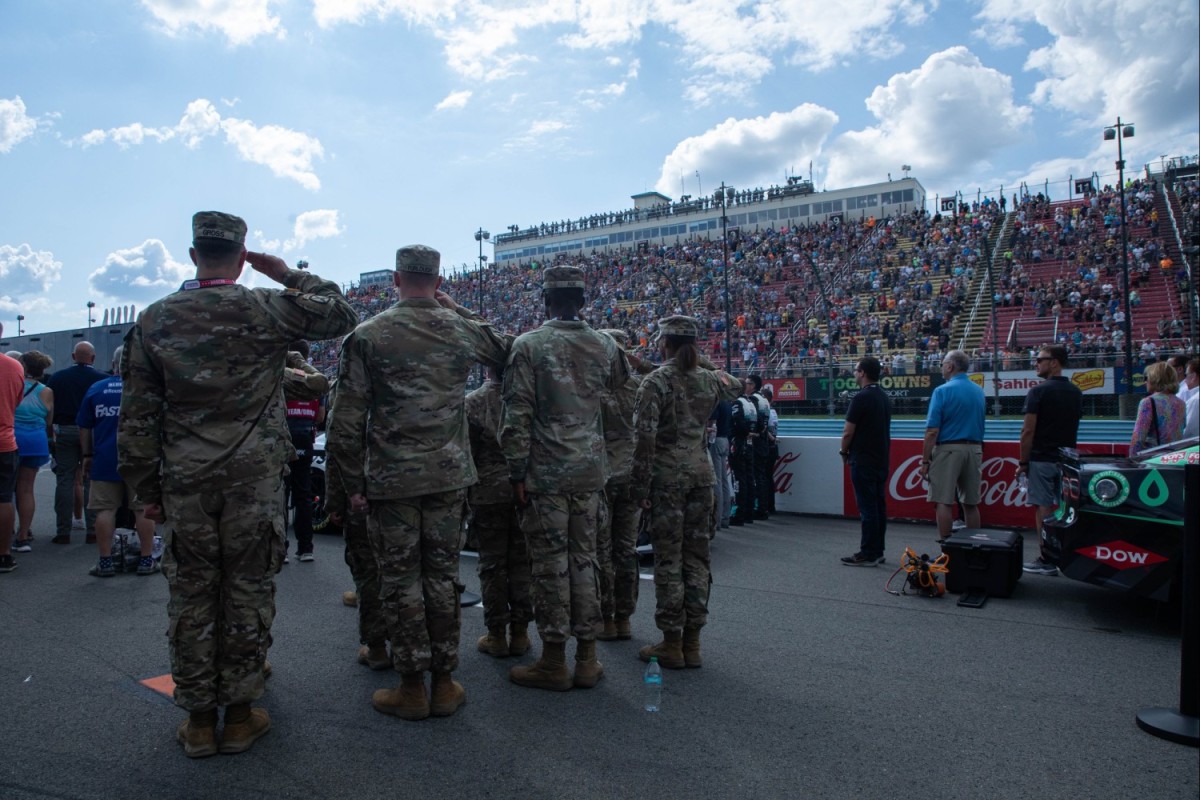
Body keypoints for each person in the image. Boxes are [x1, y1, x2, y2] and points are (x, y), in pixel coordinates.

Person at [119, 211, 357, 758]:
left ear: (192, 254)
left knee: (193, 592)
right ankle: (243, 713)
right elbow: (339, 312)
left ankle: (201, 720)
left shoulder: (155, 319)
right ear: (243, 252)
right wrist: (287, 274)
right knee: (248, 590)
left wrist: (144, 488)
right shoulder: (265, 307)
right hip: (253, 479)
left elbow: (137, 418)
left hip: (185, 478)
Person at [328, 244, 510, 721]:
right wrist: (458, 310)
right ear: (440, 280)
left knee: (401, 579)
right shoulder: (458, 330)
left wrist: (351, 485)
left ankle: (411, 686)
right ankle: (444, 682)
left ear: (395, 278)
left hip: (390, 480)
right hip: (449, 477)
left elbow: (344, 422)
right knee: (442, 577)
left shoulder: (368, 335)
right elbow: (504, 350)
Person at [500, 265, 627, 692]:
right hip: (589, 471)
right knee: (585, 560)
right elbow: (619, 391)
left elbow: (516, 416)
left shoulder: (529, 345)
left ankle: (554, 660)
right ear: (583, 301)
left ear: (546, 301)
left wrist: (516, 471)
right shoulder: (606, 345)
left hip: (547, 473)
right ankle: (587, 658)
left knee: (550, 565)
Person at [632, 316, 741, 669]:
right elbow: (737, 384)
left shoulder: (655, 382)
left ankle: (671, 642)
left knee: (669, 560)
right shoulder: (709, 380)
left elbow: (644, 440)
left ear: (665, 342)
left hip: (667, 480)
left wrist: (640, 487)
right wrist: (700, 357)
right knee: (697, 559)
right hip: (702, 477)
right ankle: (692, 643)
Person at [466, 365, 533, 657]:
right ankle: (520, 633)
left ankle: (496, 634)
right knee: (521, 563)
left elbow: (466, 454)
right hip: (523, 490)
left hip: (487, 491)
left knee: (492, 565)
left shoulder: (473, 402)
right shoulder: (526, 401)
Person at [323, 385, 389, 672]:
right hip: (402, 490)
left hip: (361, 492)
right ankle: (409, 645)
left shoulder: (348, 393)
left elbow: (338, 450)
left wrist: (335, 501)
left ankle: (377, 648)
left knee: (368, 571)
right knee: (406, 572)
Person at [78, 346, 158, 577]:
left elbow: (84, 426)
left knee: (105, 510)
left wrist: (87, 455)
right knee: (143, 510)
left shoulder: (97, 388)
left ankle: (105, 561)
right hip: (141, 459)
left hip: (105, 457)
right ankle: (146, 560)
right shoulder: (145, 390)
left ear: (114, 363)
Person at [595, 328, 647, 641]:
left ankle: (606, 617)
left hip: (602, 474)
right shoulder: (641, 385)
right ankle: (625, 617)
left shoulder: (595, 387)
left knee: (602, 550)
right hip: (631, 473)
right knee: (626, 550)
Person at [1018, 345, 1084, 577]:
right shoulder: (1076, 392)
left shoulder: (1038, 392)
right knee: (1066, 511)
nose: (1036, 363)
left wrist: (1023, 462)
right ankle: (1065, 556)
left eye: (1040, 359)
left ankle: (1046, 558)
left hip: (1042, 458)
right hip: (1067, 460)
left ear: (1054, 362)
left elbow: (1027, 431)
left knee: (1043, 508)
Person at [920, 349, 986, 543]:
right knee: (971, 503)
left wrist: (925, 460)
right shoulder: (978, 390)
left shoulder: (942, 390)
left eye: (943, 364)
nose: (942, 367)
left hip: (948, 448)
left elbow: (932, 430)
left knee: (943, 500)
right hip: (974, 449)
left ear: (950, 366)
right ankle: (975, 545)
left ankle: (946, 545)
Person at [46, 341, 107, 544]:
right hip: (91, 432)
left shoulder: (57, 378)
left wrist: (50, 434)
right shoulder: (101, 379)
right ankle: (92, 530)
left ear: (73, 357)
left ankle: (63, 530)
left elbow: (50, 408)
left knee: (64, 479)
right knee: (90, 479)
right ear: (93, 358)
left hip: (65, 430)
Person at [839, 356, 892, 566]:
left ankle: (868, 552)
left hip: (863, 459)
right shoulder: (883, 396)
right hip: (880, 458)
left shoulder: (861, 398)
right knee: (878, 506)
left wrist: (844, 452)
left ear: (862, 373)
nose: (854, 373)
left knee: (868, 508)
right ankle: (877, 550)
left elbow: (847, 432)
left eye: (855, 370)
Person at [282, 341, 329, 564]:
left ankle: (281, 549)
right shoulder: (314, 381)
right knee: (303, 494)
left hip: (284, 436)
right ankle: (306, 548)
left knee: (280, 493)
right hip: (305, 435)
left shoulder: (281, 376)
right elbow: (320, 417)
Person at [13, 351, 54, 552]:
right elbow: (48, 420)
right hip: (36, 442)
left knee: (6, 490)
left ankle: (7, 532)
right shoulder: (46, 391)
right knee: (27, 489)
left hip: (13, 439)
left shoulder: (15, 384)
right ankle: (24, 535)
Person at [1, 326, 25, 574]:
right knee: (4, 497)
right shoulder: (14, 366)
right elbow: (16, 401)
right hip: (5, 442)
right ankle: (4, 554)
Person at [1128, 361, 1187, 456]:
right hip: (1174, 458)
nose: (1145, 381)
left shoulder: (1148, 402)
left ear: (1155, 379)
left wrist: (1132, 460)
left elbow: (1138, 438)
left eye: (1146, 378)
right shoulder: (1181, 403)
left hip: (1153, 460)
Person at [728, 380, 758, 526]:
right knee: (749, 478)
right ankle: (749, 513)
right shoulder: (750, 403)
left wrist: (743, 433)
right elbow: (757, 425)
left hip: (739, 444)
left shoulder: (737, 403)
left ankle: (739, 514)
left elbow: (738, 424)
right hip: (749, 444)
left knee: (739, 480)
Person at [747, 374, 773, 519]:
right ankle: (763, 507)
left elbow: (754, 423)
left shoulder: (753, 400)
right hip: (763, 442)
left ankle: (758, 508)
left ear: (754, 385)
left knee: (756, 477)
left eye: (748, 383)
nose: (746, 386)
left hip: (756, 442)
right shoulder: (763, 399)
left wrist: (753, 433)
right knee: (762, 476)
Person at [708, 398, 733, 530]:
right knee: (724, 480)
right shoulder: (728, 403)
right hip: (725, 440)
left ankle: (716, 520)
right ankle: (725, 517)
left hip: (716, 440)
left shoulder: (717, 402)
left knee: (717, 481)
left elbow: (712, 422)